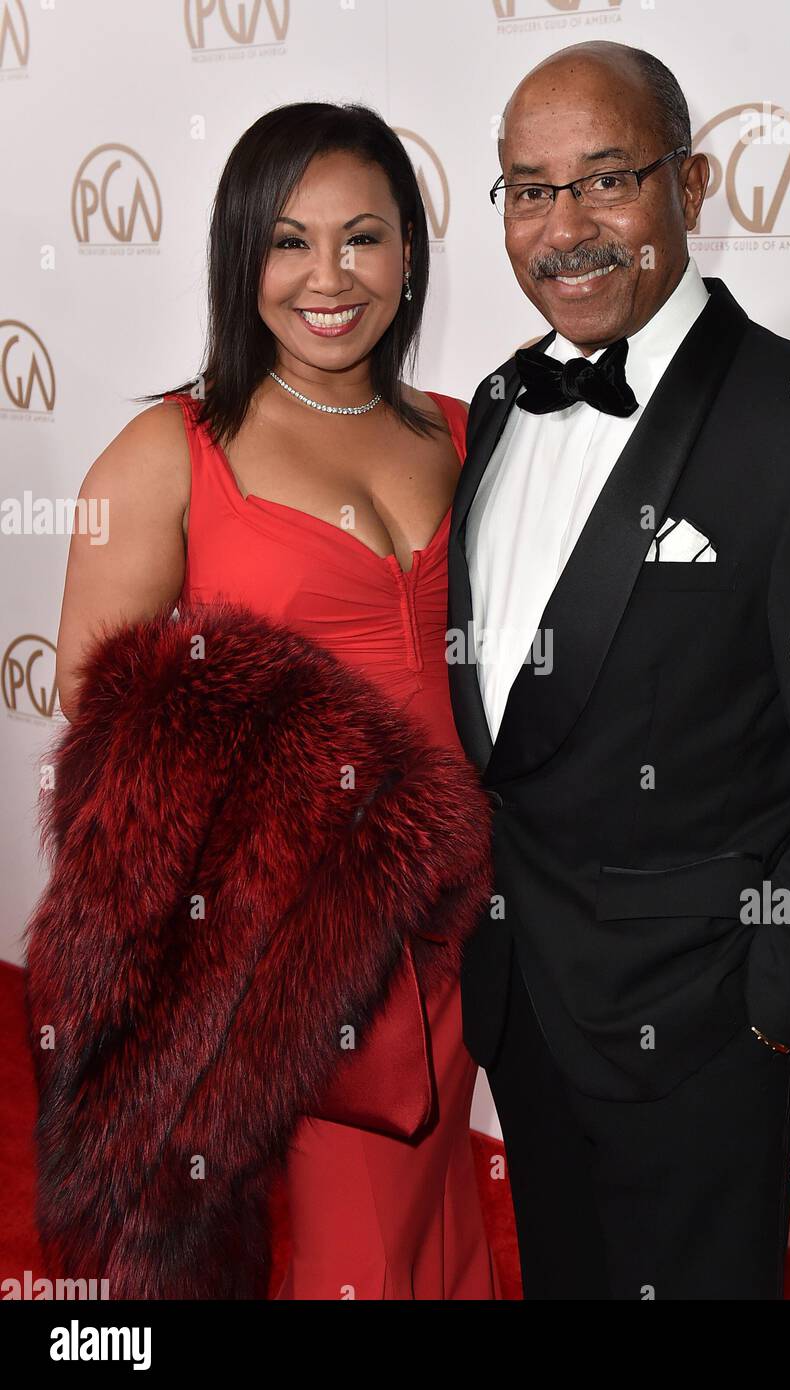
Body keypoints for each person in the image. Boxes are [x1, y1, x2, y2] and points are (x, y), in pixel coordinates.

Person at [447, 41, 790, 1300]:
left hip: (702, 1023)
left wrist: (779, 998)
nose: (562, 228)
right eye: (526, 189)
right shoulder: (502, 400)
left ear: (692, 181)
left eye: (605, 179)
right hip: (519, 992)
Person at [52, 101, 496, 1301]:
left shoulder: (468, 432)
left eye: (364, 237)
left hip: (465, 924)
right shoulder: (171, 452)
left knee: (433, 1214)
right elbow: (108, 760)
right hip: (299, 953)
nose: (328, 278)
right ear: (238, 253)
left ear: (411, 253)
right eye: (288, 240)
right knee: (344, 1250)